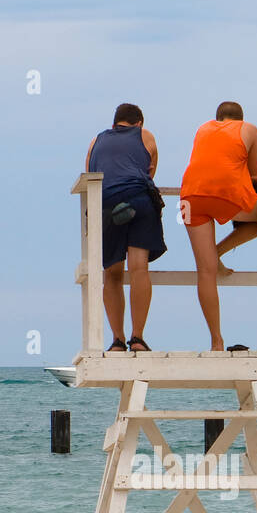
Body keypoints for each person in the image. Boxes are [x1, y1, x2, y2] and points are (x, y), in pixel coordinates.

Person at [179, 101, 257, 350]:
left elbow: (209, 164)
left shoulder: (202, 129)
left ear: (218, 118)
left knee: (205, 271)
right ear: (240, 119)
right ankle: (218, 252)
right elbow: (256, 174)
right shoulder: (250, 129)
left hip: (191, 198)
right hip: (228, 196)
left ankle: (216, 341)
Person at [86, 103, 166, 352]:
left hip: (106, 204)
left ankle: (117, 340)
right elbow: (150, 172)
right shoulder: (146, 135)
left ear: (114, 124)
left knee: (112, 273)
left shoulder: (95, 140)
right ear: (139, 123)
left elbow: (90, 171)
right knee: (139, 268)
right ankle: (138, 338)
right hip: (137, 201)